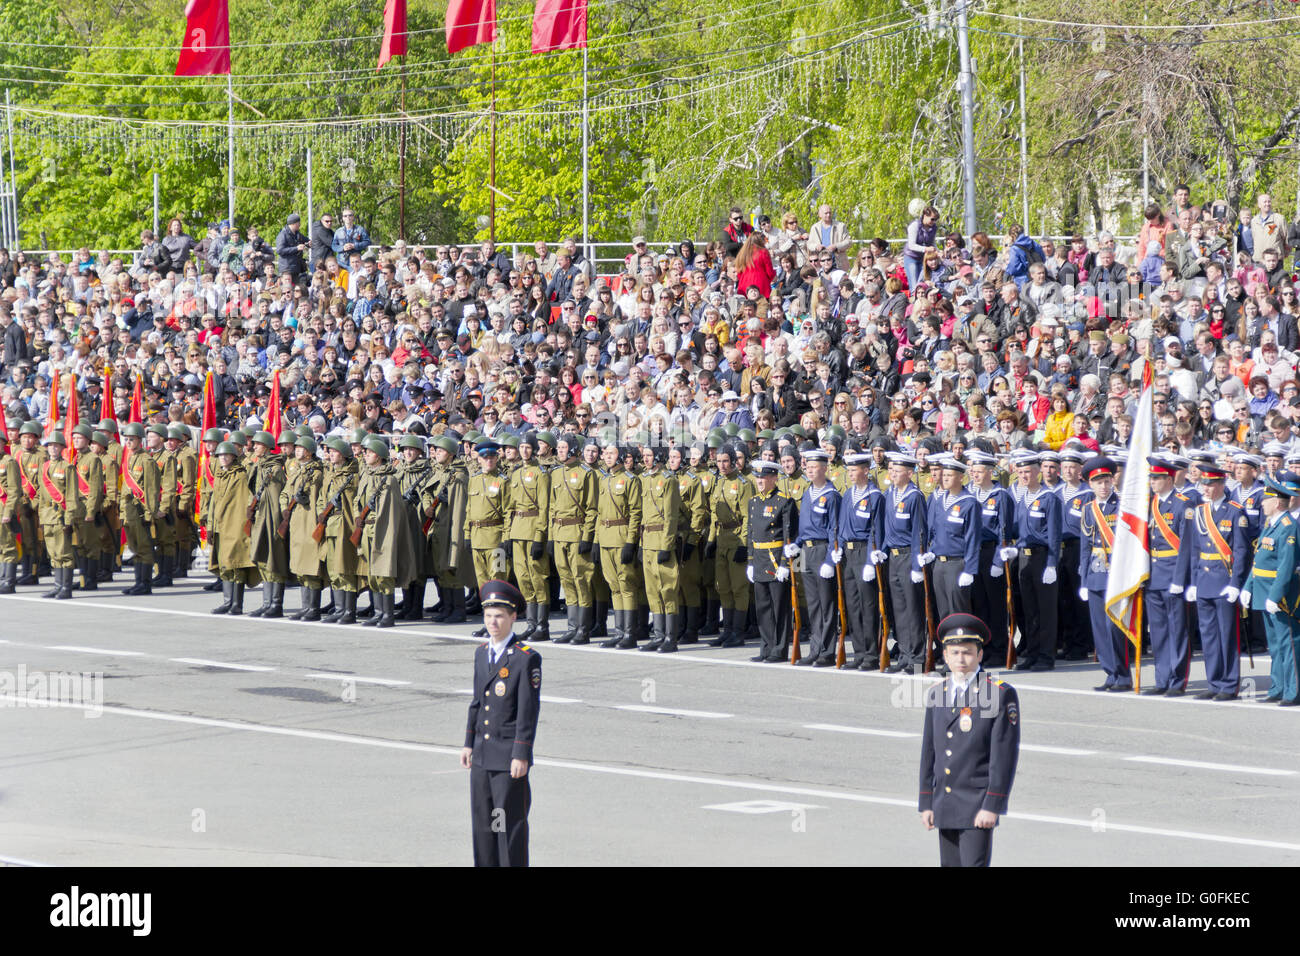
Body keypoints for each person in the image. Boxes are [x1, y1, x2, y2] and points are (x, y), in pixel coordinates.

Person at [918, 612, 1020, 868]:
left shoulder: (997, 694)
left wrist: (993, 805)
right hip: (945, 802)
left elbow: (1003, 757)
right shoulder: (937, 694)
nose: (961, 659)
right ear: (945, 656)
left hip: (977, 804)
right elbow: (929, 752)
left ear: (980, 655)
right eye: (955, 653)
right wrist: (927, 802)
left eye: (967, 652)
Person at [461, 578, 541, 867]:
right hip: (482, 757)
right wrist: (468, 744)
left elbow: (528, 711)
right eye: (488, 616)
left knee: (508, 828)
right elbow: (476, 702)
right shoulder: (482, 653)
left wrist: (521, 753)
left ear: (513, 618)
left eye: (499, 617)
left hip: (508, 759)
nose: (493, 622)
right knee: (483, 827)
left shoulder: (525, 659)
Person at [1176, 456, 1250, 700]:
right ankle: (1214, 682)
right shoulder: (1199, 512)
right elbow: (1195, 550)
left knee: (1227, 635)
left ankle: (1229, 685)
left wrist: (1235, 584)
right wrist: (1194, 583)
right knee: (1208, 636)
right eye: (1204, 484)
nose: (1205, 489)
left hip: (1224, 581)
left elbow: (1240, 552)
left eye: (1210, 484)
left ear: (1221, 484)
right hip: (1205, 582)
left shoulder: (1235, 512)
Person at [1242, 469, 1300, 705]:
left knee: (1289, 644)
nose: (1261, 503)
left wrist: (1275, 596)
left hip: (1281, 595)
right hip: (1264, 590)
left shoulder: (1288, 526)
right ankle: (1277, 687)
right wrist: (1248, 586)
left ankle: (1292, 691)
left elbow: (1286, 566)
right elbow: (1259, 559)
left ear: (1277, 502)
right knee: (1274, 645)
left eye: (1265, 499)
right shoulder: (1271, 523)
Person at [747, 459, 797, 662]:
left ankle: (779, 648)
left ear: (774, 478)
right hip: (759, 559)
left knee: (779, 607)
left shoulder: (784, 502)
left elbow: (789, 536)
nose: (760, 481)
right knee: (763, 607)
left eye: (764, 477)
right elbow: (750, 533)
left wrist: (786, 564)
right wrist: (750, 561)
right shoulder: (754, 502)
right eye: (757, 477)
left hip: (776, 560)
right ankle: (766, 646)